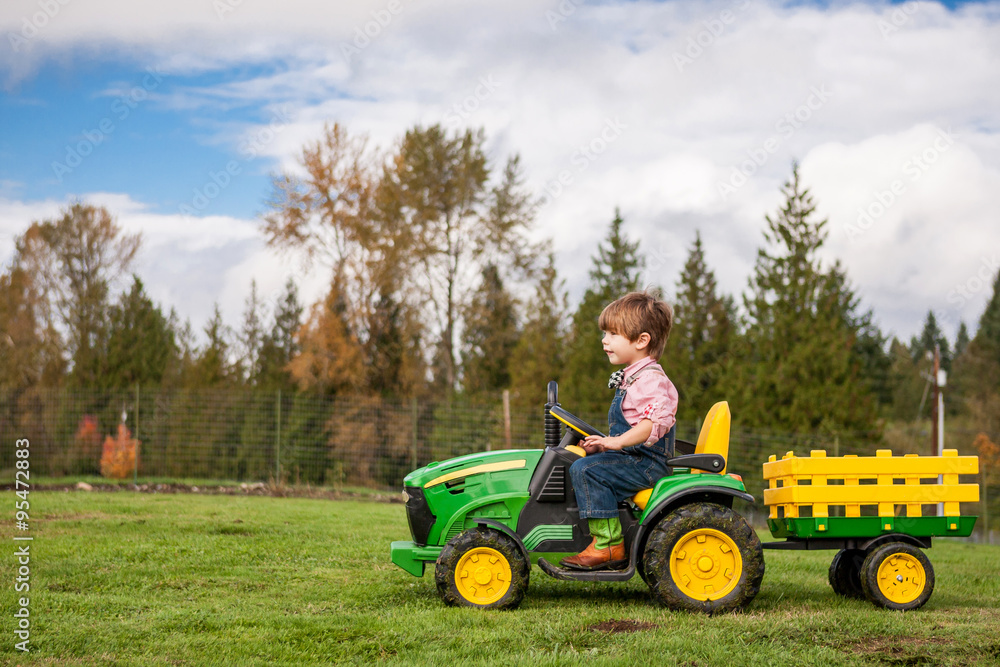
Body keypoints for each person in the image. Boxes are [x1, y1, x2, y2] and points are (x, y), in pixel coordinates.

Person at [560, 291, 678, 571]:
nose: (605, 340)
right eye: (605, 333)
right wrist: (604, 444)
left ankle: (608, 544)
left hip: (646, 464)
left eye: (613, 333)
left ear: (641, 340)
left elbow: (653, 423)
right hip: (634, 458)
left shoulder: (650, 380)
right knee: (586, 462)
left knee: (585, 470)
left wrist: (616, 442)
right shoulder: (634, 377)